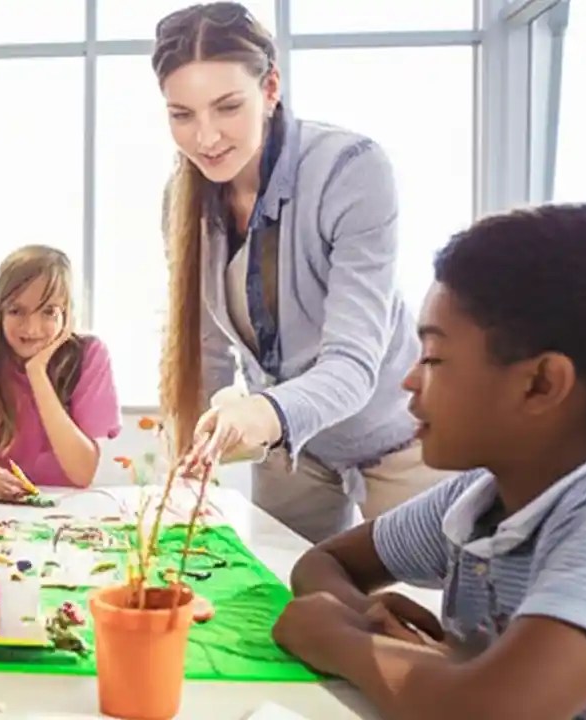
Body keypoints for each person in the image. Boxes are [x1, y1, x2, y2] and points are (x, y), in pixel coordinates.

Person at [273, 204, 586, 720]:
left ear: (541, 384)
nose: (410, 380)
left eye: (434, 358)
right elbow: (325, 563)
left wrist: (336, 638)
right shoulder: (481, 496)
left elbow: (495, 712)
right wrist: (367, 619)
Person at [153, 3, 446, 542]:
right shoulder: (182, 198)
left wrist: (261, 413)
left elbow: (353, 362)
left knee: (425, 615)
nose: (206, 137)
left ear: (270, 89)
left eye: (227, 106)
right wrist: (191, 471)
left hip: (399, 441)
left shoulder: (352, 169)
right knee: (283, 605)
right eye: (182, 115)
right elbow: (206, 350)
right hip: (291, 453)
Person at [0, 245, 122, 496]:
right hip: (0, 509)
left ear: (66, 313)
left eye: (48, 311)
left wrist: (37, 372)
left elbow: (82, 473)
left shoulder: (90, 355)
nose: (32, 328)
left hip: (70, 510)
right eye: (17, 311)